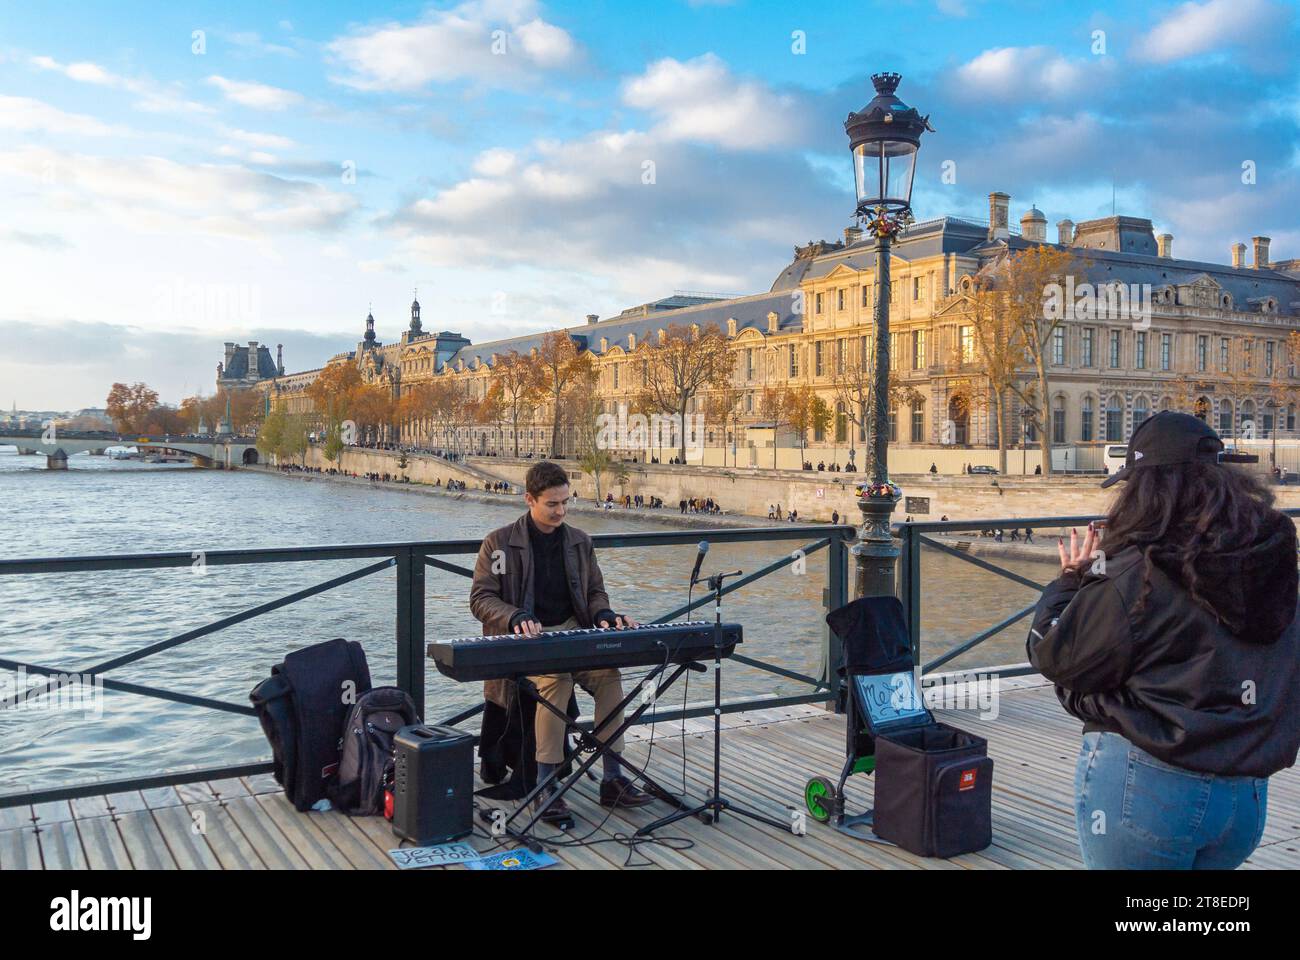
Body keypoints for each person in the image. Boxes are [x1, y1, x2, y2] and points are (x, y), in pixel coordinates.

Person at [1027, 412, 1300, 869]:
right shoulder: (1273, 563)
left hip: (1149, 786)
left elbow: (1055, 654)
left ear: (1145, 489)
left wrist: (1070, 581)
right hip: (1245, 796)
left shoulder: (1137, 572)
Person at [469, 461, 658, 824]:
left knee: (609, 676)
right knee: (555, 682)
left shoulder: (579, 542)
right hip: (526, 640)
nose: (561, 511)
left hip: (572, 632)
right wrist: (514, 616)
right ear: (529, 499)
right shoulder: (499, 543)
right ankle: (546, 787)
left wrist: (604, 615)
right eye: (552, 504)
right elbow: (481, 599)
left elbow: (594, 592)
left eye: (565, 503)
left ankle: (612, 777)